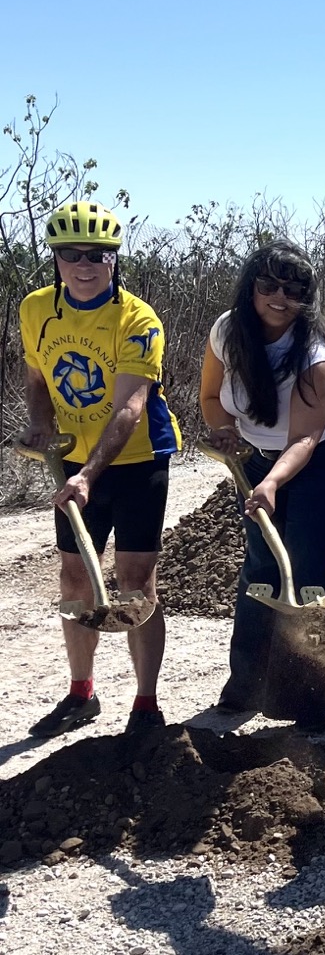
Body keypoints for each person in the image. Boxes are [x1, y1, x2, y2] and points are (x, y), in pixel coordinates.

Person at [19, 200, 182, 737]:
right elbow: (39, 380)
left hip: (136, 463)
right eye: (71, 254)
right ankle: (81, 693)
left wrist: (88, 475)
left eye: (97, 254)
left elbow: (130, 409)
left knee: (135, 583)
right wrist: (42, 426)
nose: (84, 265)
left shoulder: (137, 320)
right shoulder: (37, 309)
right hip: (72, 462)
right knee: (74, 576)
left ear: (114, 259)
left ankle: (146, 704)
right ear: (56, 259)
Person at [200, 239, 325, 732]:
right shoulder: (227, 331)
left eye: (293, 289)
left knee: (307, 569)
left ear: (306, 296)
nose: (279, 296)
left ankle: (309, 701)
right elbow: (212, 396)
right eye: (269, 284)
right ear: (251, 286)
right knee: (259, 566)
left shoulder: (315, 356)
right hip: (259, 457)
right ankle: (245, 689)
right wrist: (225, 431)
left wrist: (271, 482)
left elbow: (306, 438)